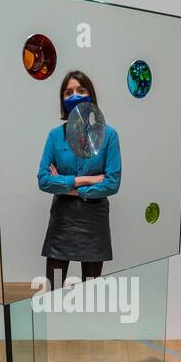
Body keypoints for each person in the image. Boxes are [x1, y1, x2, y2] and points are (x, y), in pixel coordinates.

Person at [37, 70, 121, 289]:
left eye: (81, 90)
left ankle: (86, 324)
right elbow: (44, 180)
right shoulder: (55, 136)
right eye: (68, 92)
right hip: (62, 222)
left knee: (91, 292)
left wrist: (67, 186)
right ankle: (55, 323)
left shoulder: (109, 135)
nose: (74, 96)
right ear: (62, 100)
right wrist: (88, 180)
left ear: (91, 96)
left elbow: (112, 183)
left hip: (94, 223)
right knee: (53, 292)